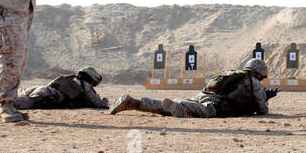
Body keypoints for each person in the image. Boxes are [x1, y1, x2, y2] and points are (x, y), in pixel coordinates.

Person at [109, 58, 275, 118]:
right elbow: (262, 111)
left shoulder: (234, 73)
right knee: (198, 111)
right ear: (260, 73)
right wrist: (265, 98)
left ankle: (136, 103)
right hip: (216, 105)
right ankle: (181, 106)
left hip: (204, 94)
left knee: (174, 105)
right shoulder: (256, 83)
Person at [12, 67, 108, 113]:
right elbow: (97, 103)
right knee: (21, 103)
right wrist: (105, 101)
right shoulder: (84, 85)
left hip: (43, 89)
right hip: (49, 94)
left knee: (15, 96)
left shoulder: (72, 79)